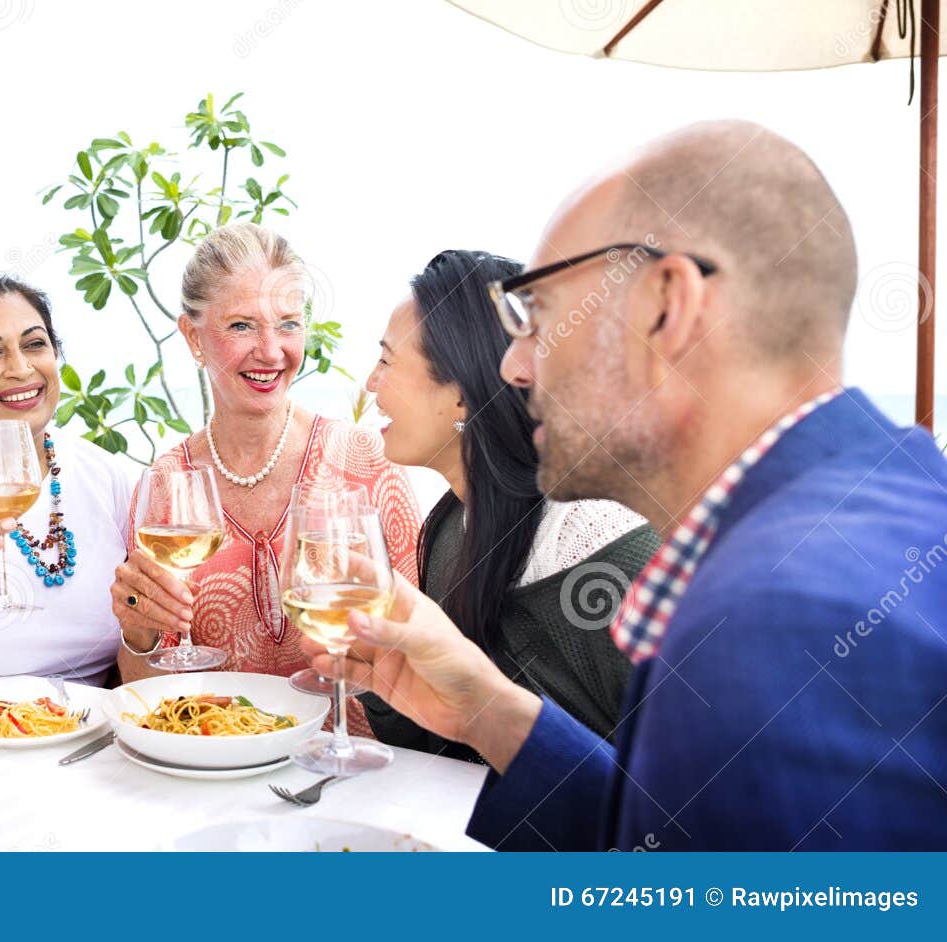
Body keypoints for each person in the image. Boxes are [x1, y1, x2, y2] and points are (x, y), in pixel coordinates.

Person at [312, 121, 947, 850]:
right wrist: (484, 708)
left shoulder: (775, 619)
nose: (516, 368)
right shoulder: (881, 501)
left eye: (538, 315)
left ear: (666, 308)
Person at [112, 223, 421, 734]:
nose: (272, 351)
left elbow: (418, 650)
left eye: (288, 324)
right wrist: (138, 632)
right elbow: (147, 696)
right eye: (241, 326)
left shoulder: (367, 460)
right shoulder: (168, 482)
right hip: (220, 769)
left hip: (358, 771)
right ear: (192, 336)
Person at [359, 250, 660, 759]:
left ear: (460, 395)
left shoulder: (605, 547)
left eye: (386, 359)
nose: (371, 382)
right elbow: (439, 750)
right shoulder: (452, 525)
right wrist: (379, 667)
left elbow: (685, 801)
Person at [0, 275, 135, 691]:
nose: (21, 368)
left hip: (89, 728)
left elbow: (138, 650)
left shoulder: (107, 474)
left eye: (35, 344)